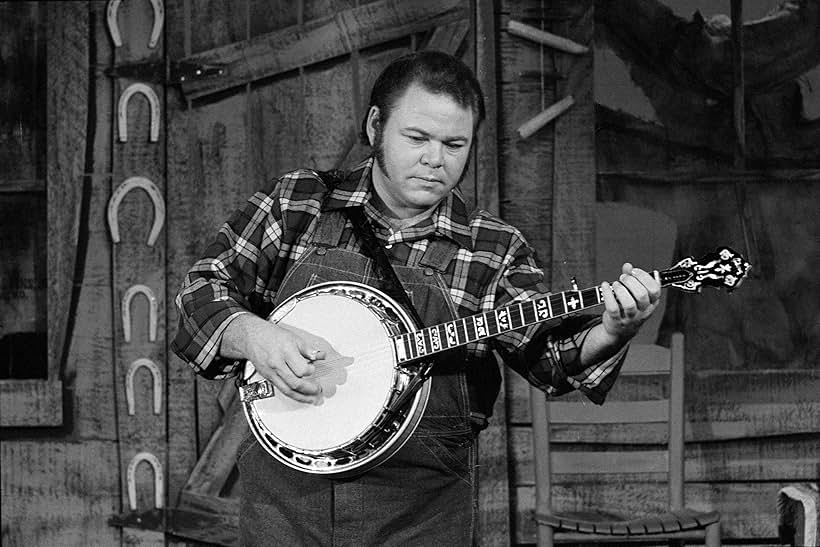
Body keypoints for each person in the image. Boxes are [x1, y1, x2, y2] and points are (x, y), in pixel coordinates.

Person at [172, 50, 661, 546]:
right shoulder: (298, 203)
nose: (435, 159)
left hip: (421, 512)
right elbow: (200, 293)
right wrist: (253, 335)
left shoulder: (492, 247)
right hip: (285, 502)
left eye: (454, 144)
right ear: (374, 126)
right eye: (417, 138)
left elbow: (552, 362)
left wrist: (615, 329)